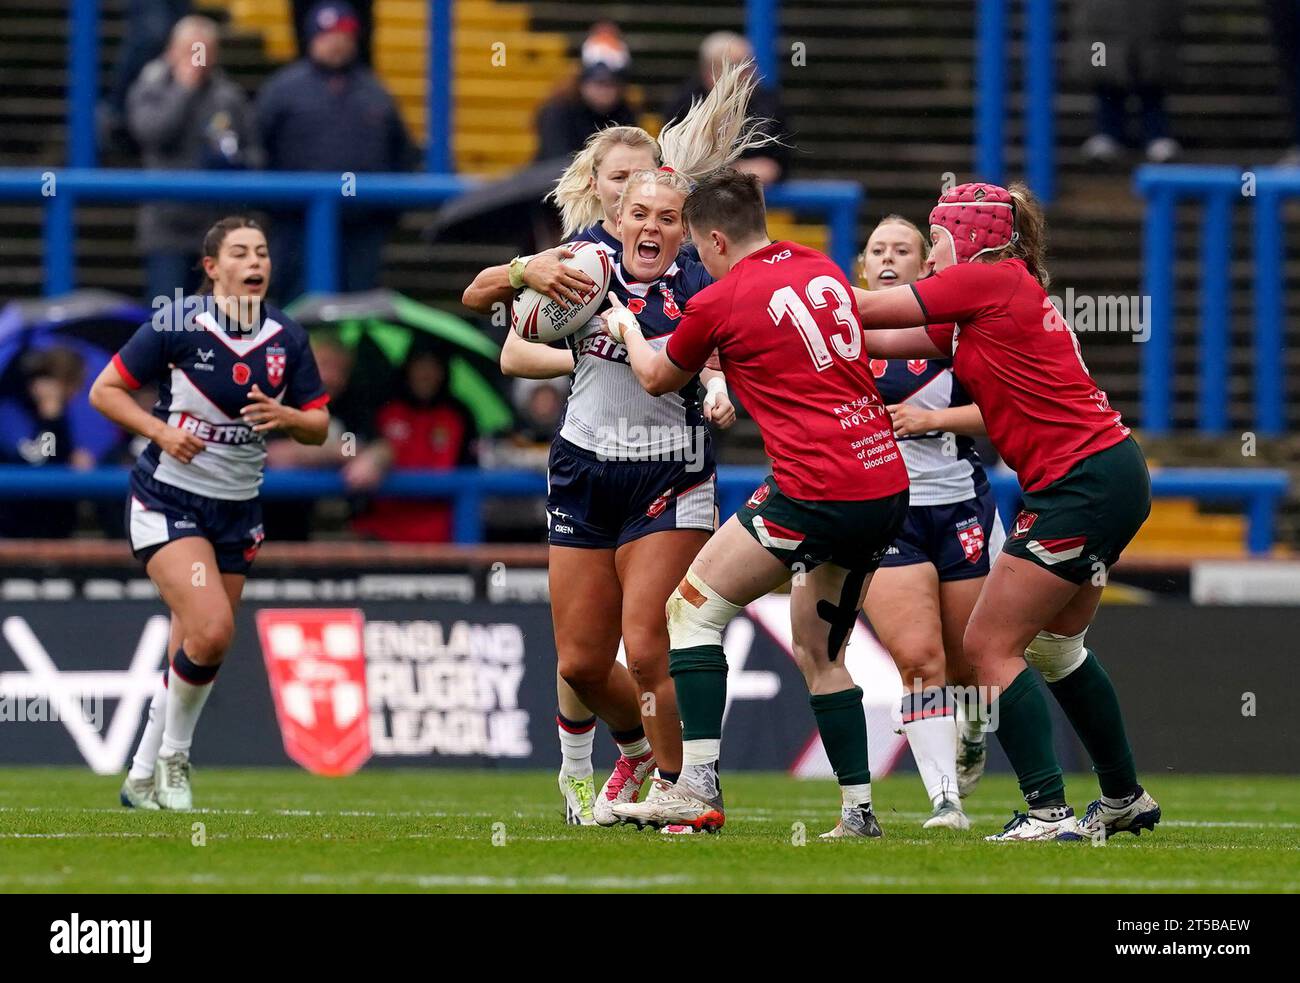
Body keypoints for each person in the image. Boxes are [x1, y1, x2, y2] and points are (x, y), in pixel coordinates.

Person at [463, 66, 771, 827]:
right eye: (638, 208)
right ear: (614, 208)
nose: (652, 225)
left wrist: (723, 382)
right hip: (582, 466)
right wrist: (520, 273)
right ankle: (634, 748)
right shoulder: (582, 262)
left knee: (650, 639)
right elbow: (485, 309)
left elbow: (729, 340)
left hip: (669, 474)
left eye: (667, 215)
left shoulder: (701, 275)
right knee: (580, 662)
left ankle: (686, 785)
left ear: (684, 223)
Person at [852, 181, 1160, 842]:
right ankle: (1123, 796)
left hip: (1080, 482)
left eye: (933, 242)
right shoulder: (998, 291)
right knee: (1055, 647)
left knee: (988, 645)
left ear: (965, 237)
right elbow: (879, 336)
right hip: (1108, 474)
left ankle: (1046, 811)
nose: (930, 259)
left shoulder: (985, 281)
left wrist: (778, 280)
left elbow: (864, 307)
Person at [610, 169, 910, 837]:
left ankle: (695, 785)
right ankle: (859, 812)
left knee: (690, 607)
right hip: (883, 480)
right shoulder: (818, 263)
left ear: (714, 238)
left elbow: (658, 375)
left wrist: (625, 323)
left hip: (817, 486)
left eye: (695, 243)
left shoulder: (718, 300)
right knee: (819, 648)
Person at [90, 216, 330, 810]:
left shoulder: (286, 337)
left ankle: (142, 776)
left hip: (237, 511)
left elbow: (319, 425)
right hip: (167, 501)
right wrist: (161, 433)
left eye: (264, 251)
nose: (257, 261)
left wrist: (290, 419)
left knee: (201, 645)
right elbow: (105, 391)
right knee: (214, 627)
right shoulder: (176, 324)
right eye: (242, 252)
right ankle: (175, 758)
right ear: (212, 267)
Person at [857, 216, 1001, 830]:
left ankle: (969, 725)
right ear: (863, 269)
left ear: (926, 269)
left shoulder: (960, 333)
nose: (889, 258)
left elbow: (1002, 413)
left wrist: (932, 420)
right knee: (919, 659)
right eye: (877, 251)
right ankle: (947, 802)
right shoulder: (843, 337)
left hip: (960, 504)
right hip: (886, 511)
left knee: (970, 663)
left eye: (904, 250)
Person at [256, 1, 418, 304]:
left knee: (357, 313)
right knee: (298, 306)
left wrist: (385, 214)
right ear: (312, 38)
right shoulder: (282, 90)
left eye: (344, 36)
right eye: (328, 35)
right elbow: (258, 152)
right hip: (296, 228)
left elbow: (402, 154)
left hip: (361, 230)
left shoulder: (375, 91)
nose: (337, 43)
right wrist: (275, 208)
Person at [127, 15, 261, 303]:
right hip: (168, 228)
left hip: (217, 231)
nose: (197, 59)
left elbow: (254, 154)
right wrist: (184, 89)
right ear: (172, 50)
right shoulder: (152, 88)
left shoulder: (228, 96)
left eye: (203, 50)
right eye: (191, 50)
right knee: (170, 319)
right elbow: (151, 132)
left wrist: (233, 160)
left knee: (218, 324)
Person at [347, 344, 478, 543]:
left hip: (443, 535)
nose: (426, 374)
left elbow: (472, 470)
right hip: (381, 532)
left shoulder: (460, 415)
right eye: (420, 365)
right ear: (408, 368)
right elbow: (353, 451)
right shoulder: (381, 408)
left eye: (434, 366)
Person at [663, 32, 790, 185]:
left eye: (750, 64)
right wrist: (738, 170)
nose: (749, 74)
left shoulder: (768, 103)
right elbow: (674, 163)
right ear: (711, 72)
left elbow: (780, 161)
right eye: (739, 66)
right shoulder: (684, 104)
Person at [534, 23, 638, 162]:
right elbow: (556, 161)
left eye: (611, 85)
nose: (604, 91)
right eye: (598, 83)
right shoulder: (559, 112)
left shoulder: (626, 114)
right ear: (583, 83)